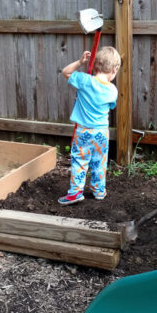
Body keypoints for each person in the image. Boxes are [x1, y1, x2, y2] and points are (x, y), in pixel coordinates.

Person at [58, 46, 121, 205]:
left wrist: (80, 62)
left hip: (83, 132)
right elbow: (110, 105)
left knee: (80, 161)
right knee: (99, 162)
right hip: (101, 133)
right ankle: (99, 191)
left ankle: (75, 192)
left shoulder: (84, 81)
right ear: (114, 69)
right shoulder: (112, 90)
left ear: (96, 65)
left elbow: (66, 72)